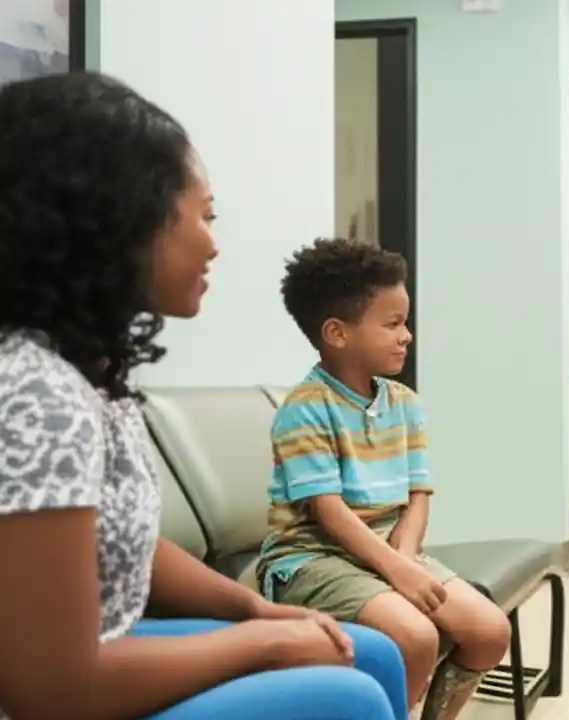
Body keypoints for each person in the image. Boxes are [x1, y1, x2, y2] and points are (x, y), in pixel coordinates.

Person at [0, 72, 408, 719]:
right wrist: (262, 644)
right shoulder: (36, 392)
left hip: (91, 655)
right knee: (346, 696)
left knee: (369, 652)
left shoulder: (81, 371)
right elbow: (49, 689)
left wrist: (251, 607)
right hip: (56, 692)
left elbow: (112, 538)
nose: (213, 243)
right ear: (120, 220)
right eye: (203, 215)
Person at [257, 238, 512, 719]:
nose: (407, 335)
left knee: (489, 630)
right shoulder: (305, 408)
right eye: (393, 323)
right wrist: (396, 572)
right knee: (414, 636)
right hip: (311, 558)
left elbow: (417, 493)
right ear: (337, 333)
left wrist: (405, 556)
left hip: (386, 550)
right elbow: (328, 512)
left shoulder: (404, 403)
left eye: (405, 322)